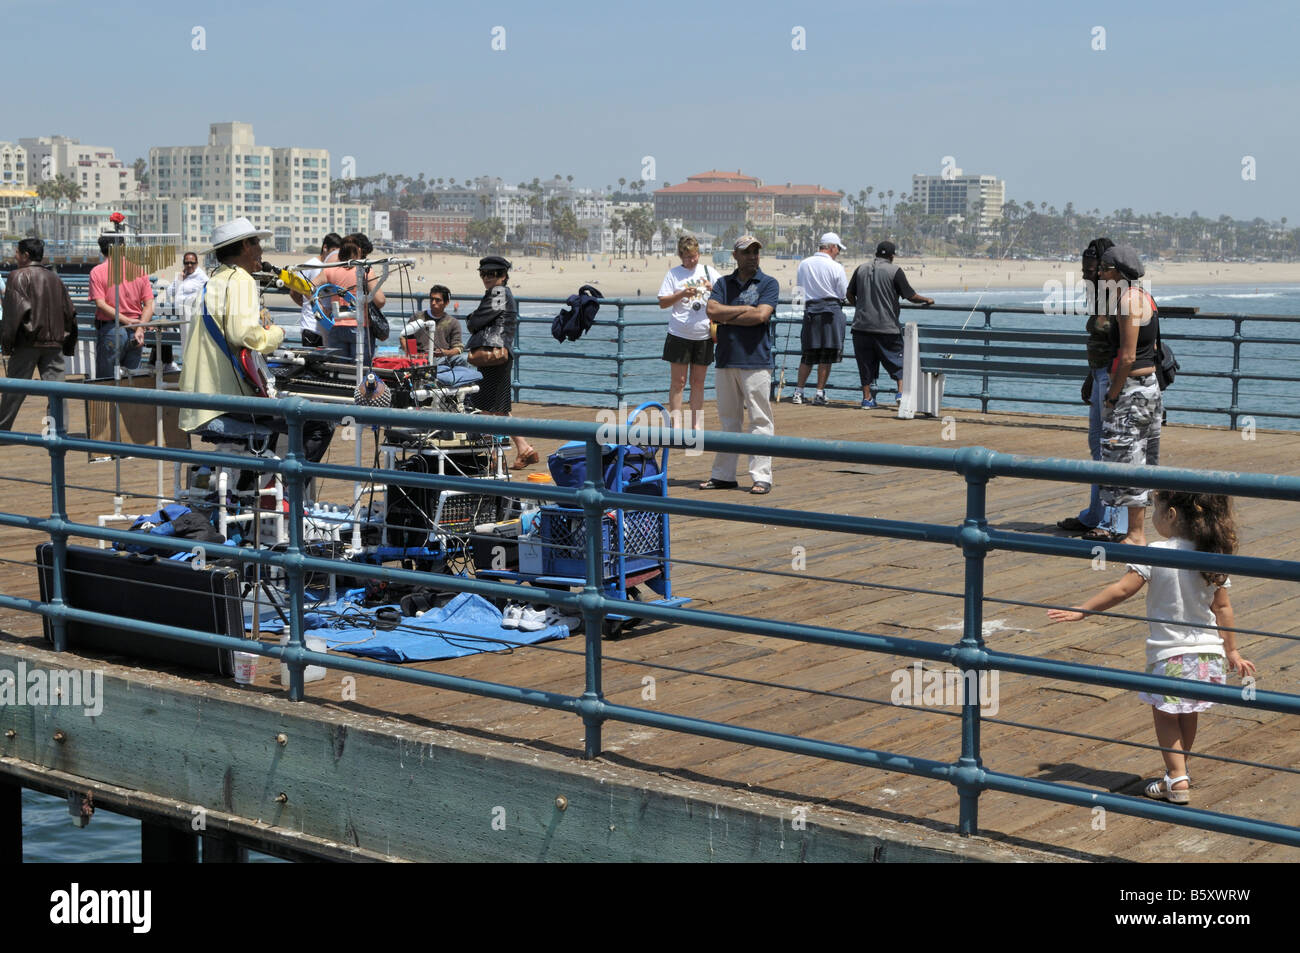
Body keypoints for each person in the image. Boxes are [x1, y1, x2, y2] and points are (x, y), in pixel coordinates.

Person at [1046, 491, 1254, 805]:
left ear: (1171, 515)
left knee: (1165, 714)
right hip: (1208, 653)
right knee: (1188, 711)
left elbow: (1121, 590)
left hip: (1170, 653)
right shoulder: (1213, 554)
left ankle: (1177, 779)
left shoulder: (1155, 552)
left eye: (1154, 510)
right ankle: (1177, 771)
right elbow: (1223, 608)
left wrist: (1083, 609)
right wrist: (1233, 651)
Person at [178, 217, 283, 434]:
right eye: (257, 243)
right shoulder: (241, 279)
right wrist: (275, 334)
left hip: (198, 405)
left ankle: (256, 466)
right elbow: (242, 334)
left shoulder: (213, 281)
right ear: (246, 246)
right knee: (315, 424)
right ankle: (278, 467)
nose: (261, 251)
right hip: (225, 403)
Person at [1058, 238, 1127, 542]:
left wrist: (1114, 386)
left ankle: (1116, 521)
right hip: (1099, 373)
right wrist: (1091, 374)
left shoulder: (1121, 297)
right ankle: (1095, 513)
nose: (1086, 274)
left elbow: (1127, 347)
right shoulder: (1099, 295)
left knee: (1114, 447)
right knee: (1097, 445)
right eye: (1083, 269)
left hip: (1113, 378)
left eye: (1090, 269)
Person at [699, 235, 779, 495]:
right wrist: (745, 309)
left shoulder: (769, 283)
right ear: (735, 256)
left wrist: (728, 313)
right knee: (728, 420)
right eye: (746, 252)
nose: (752, 256)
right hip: (725, 360)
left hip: (756, 360)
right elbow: (711, 312)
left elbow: (761, 315)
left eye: (756, 252)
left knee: (760, 420)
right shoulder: (723, 283)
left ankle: (761, 476)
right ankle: (723, 475)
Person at [1098, 244, 1160, 546]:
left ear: (1118, 273)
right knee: (1145, 456)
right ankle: (1140, 530)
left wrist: (1112, 394)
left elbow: (1127, 356)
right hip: (1150, 388)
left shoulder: (1127, 301)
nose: (1100, 273)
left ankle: (1135, 534)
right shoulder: (1147, 298)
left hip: (1131, 390)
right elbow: (1155, 349)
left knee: (1126, 455)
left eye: (1105, 269)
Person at [464, 256, 538, 469]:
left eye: (493, 274)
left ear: (503, 276)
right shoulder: (501, 293)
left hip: (493, 356)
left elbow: (476, 321)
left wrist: (471, 319)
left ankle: (495, 459)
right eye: (484, 274)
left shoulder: (498, 293)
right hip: (496, 356)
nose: (487, 277)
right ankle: (524, 449)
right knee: (498, 408)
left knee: (485, 408)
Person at [1, 238, 77, 431]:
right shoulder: (55, 279)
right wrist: (67, 343)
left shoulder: (16, 277)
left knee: (14, 390)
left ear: (26, 255)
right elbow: (70, 313)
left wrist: (7, 344)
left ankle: (3, 430)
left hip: (27, 343)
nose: (15, 256)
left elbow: (12, 315)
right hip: (55, 343)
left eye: (17, 253)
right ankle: (57, 431)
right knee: (57, 392)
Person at [845, 240, 933, 408]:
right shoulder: (895, 271)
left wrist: (859, 306)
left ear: (876, 253)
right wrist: (927, 300)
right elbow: (910, 296)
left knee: (865, 364)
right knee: (899, 361)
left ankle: (867, 398)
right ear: (892, 256)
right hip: (887, 327)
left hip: (861, 327)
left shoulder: (861, 268)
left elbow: (849, 293)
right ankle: (900, 393)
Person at [656, 236, 716, 431]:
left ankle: (696, 425)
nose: (692, 260)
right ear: (680, 256)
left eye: (694, 256)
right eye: (687, 257)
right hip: (679, 334)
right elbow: (663, 302)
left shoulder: (708, 271)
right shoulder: (673, 274)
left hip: (703, 335)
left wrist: (712, 288)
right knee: (678, 382)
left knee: (698, 382)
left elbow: (726, 294)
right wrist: (681, 294)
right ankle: (676, 424)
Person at [790, 232, 849, 406]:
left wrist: (799, 309)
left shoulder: (804, 264)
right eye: (838, 248)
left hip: (810, 312)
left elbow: (799, 290)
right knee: (827, 354)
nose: (838, 252)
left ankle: (798, 392)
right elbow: (843, 293)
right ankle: (819, 393)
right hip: (831, 311)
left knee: (808, 354)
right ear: (832, 247)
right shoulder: (836, 267)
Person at [89, 233, 154, 378]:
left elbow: (100, 303)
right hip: (136, 332)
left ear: (102, 250)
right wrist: (140, 327)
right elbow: (149, 304)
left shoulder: (97, 272)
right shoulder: (139, 271)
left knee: (106, 382)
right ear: (123, 248)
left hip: (111, 330)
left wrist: (126, 321)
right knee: (131, 381)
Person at [314, 236, 385, 362]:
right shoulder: (365, 270)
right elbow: (380, 300)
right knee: (361, 369)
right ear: (359, 250)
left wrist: (320, 306)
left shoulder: (330, 269)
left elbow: (310, 286)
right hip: (359, 325)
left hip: (336, 326)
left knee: (340, 371)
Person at [159, 251, 207, 372]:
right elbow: (170, 293)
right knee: (185, 345)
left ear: (197, 263)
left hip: (195, 316)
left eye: (192, 263)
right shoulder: (181, 276)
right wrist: (180, 279)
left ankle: (195, 371)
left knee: (195, 346)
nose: (189, 265)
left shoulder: (202, 277)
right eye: (187, 263)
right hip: (183, 316)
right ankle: (187, 370)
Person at [290, 233, 341, 347]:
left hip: (329, 327)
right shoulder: (310, 265)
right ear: (325, 248)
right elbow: (294, 292)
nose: (335, 255)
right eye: (333, 251)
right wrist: (312, 306)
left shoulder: (335, 266)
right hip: (311, 327)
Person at [402, 284, 465, 365]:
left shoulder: (453, 322)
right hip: (420, 359)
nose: (433, 303)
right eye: (431, 299)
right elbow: (404, 337)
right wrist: (413, 355)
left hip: (443, 359)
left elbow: (458, 348)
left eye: (437, 300)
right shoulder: (417, 317)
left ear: (446, 303)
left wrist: (445, 352)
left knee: (461, 360)